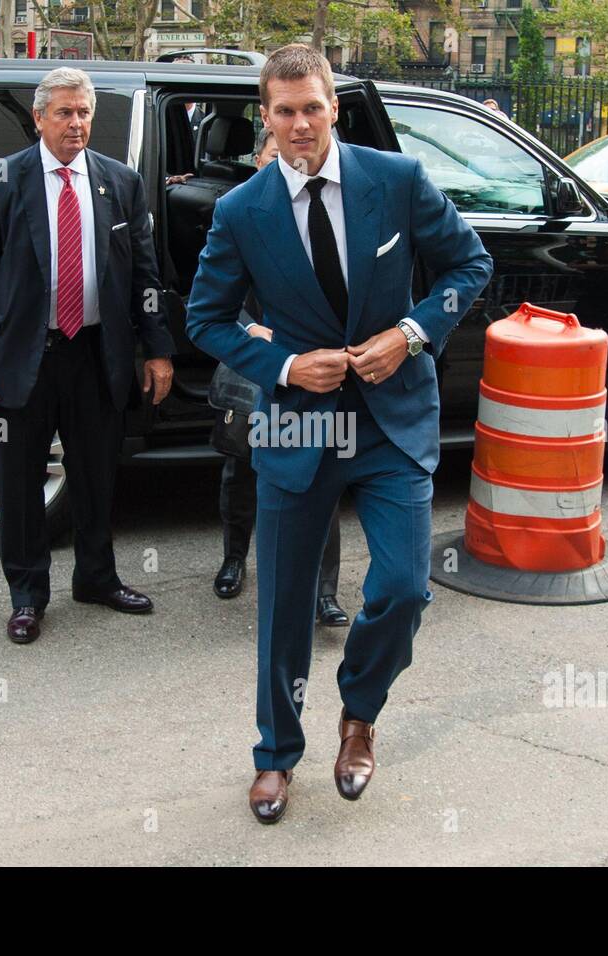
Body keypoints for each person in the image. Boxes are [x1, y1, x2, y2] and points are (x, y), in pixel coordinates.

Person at [185, 44, 493, 824]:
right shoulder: (241, 211)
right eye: (283, 111)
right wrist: (286, 366)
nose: (298, 125)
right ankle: (275, 756)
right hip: (299, 425)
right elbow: (206, 319)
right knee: (285, 606)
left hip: (392, 421)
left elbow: (469, 266)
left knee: (402, 587)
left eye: (312, 108)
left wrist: (411, 336)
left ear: (334, 108)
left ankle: (359, 714)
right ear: (268, 116)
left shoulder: (397, 181)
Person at [0, 67, 176, 643]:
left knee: (96, 475)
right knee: (21, 484)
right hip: (20, 360)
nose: (76, 123)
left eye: (83, 113)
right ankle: (27, 594)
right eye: (64, 113)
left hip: (96, 355)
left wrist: (157, 350)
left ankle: (97, 578)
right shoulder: (0, 182)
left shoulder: (120, 183)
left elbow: (144, 274)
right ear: (39, 118)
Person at [213, 127, 349, 629]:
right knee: (243, 472)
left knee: (317, 474)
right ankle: (234, 560)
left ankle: (324, 592)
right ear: (258, 162)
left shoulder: (325, 212)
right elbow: (211, 307)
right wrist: (254, 331)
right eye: (273, 158)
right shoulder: (240, 213)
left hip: (310, 377)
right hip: (256, 366)